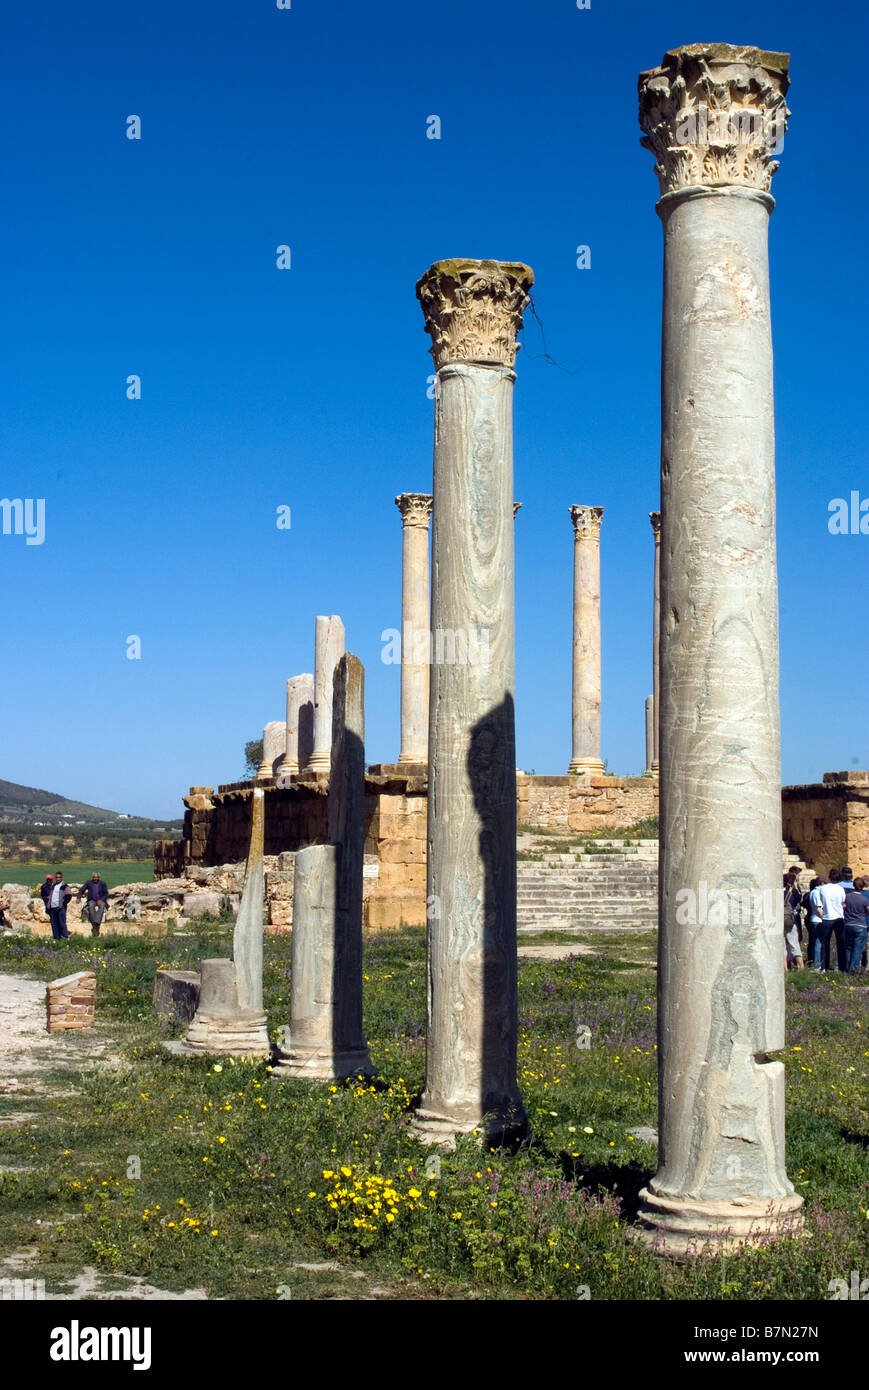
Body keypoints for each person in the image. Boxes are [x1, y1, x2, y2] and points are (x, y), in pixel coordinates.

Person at [817, 869, 846, 971]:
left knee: (825, 943)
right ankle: (842, 967)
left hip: (827, 917)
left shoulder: (823, 889)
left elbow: (821, 901)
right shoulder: (841, 889)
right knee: (840, 943)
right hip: (839, 917)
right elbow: (843, 902)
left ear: (829, 877)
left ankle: (825, 966)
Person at [842, 877, 869, 973]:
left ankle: (847, 969)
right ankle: (853, 970)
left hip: (848, 924)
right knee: (858, 948)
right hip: (861, 925)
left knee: (848, 948)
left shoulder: (847, 896)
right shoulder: (864, 899)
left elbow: (843, 907)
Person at [76, 872, 109, 936]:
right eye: (94, 877)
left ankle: (96, 923)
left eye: (96, 877)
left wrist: (101, 900)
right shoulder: (89, 883)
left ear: (99, 877)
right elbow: (81, 890)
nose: (95, 878)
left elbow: (106, 894)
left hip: (100, 899)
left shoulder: (103, 884)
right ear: (92, 877)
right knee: (91, 907)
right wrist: (78, 897)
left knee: (102, 906)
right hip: (92, 899)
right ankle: (95, 924)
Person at [783, 875, 804, 970]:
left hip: (778, 920)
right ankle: (801, 966)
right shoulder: (793, 891)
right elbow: (800, 901)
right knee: (794, 943)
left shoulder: (776, 891)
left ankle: (785, 968)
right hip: (790, 919)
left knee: (782, 946)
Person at [47, 872, 72, 940]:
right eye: (56, 877)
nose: (57, 879)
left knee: (62, 924)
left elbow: (69, 895)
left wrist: (63, 903)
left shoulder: (65, 886)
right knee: (54, 924)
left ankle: (65, 938)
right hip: (53, 908)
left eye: (59, 877)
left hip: (60, 908)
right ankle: (56, 939)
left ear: (61, 878)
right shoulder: (54, 886)